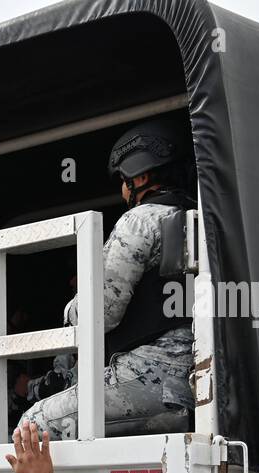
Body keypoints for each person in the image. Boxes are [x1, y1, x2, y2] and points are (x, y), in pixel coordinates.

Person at [19, 118, 197, 440]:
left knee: (33, 426)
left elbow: (99, 313)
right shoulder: (203, 221)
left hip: (150, 379)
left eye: (124, 180)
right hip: (196, 385)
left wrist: (70, 310)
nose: (122, 189)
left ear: (141, 175)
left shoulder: (140, 220)